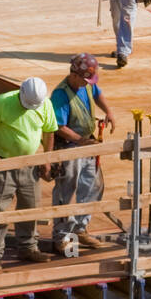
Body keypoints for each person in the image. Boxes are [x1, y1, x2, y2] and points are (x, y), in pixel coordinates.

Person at [0, 77, 58, 271]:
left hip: (30, 165)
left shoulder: (45, 104)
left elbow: (49, 132)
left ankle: (28, 247)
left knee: (30, 207)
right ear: (21, 93)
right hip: (2, 163)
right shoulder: (3, 101)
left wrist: (46, 159)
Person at [49, 53, 115, 254]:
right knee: (66, 190)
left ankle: (81, 228)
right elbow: (59, 126)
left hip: (87, 145)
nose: (87, 84)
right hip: (69, 147)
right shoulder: (60, 94)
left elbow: (97, 93)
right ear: (74, 74)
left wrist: (109, 111)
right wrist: (80, 140)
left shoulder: (86, 84)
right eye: (84, 80)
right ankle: (61, 236)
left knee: (93, 186)